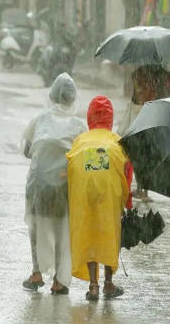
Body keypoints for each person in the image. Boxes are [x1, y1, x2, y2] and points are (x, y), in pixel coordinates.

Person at [21, 73, 87, 295]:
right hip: (62, 185)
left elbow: (26, 150)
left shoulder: (40, 120)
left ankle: (36, 272)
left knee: (35, 226)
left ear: (51, 95)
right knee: (61, 230)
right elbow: (83, 158)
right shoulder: (79, 126)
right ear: (72, 98)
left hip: (38, 185)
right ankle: (59, 280)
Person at [67, 96, 130, 301]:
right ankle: (108, 284)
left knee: (89, 236)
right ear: (110, 118)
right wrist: (127, 202)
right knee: (108, 235)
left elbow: (70, 169)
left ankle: (93, 286)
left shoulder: (81, 141)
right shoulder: (117, 141)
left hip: (84, 195)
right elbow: (127, 171)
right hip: (109, 195)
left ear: (89, 116)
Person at [117, 64, 170, 201]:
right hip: (149, 123)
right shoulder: (161, 76)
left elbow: (138, 98)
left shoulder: (141, 74)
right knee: (145, 158)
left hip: (143, 124)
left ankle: (143, 189)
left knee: (141, 158)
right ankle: (143, 189)